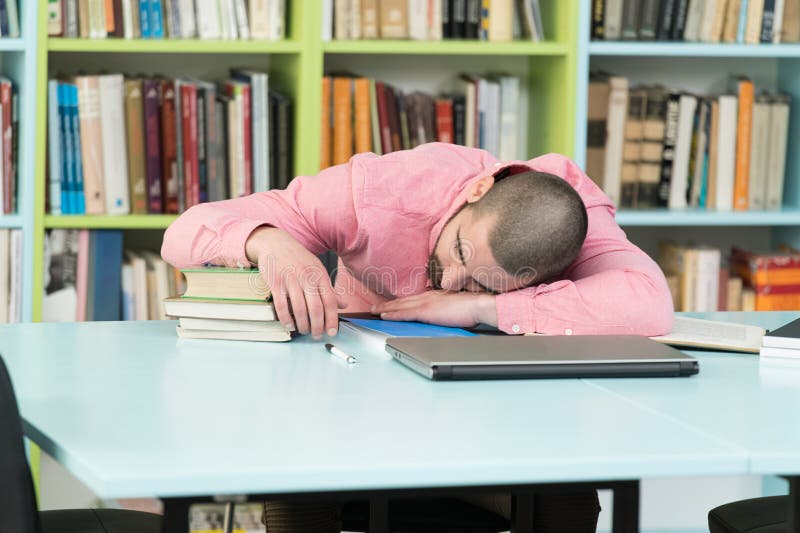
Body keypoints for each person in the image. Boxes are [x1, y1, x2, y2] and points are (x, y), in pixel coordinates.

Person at [161, 142, 674, 532]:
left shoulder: (566, 215)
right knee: (293, 487)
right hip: (351, 419)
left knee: (568, 494)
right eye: (462, 254)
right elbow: (184, 232)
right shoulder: (379, 192)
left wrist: (478, 307)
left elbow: (648, 301)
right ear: (477, 192)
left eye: (481, 280)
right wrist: (264, 238)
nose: (450, 280)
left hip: (493, 435)